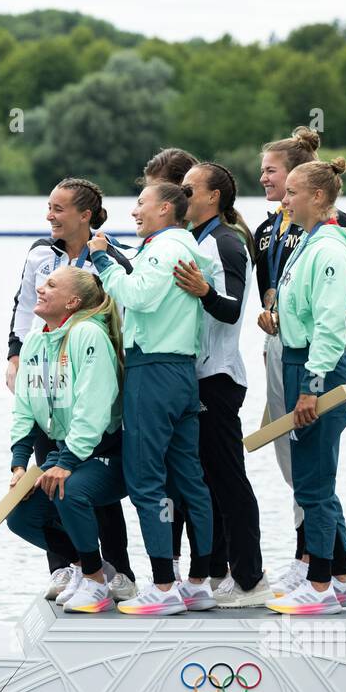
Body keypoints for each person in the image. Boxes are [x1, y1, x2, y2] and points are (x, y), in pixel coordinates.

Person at [253, 127, 346, 594]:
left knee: (314, 484)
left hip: (316, 369)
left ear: (317, 195)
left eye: (291, 191)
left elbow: (329, 324)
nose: (283, 199)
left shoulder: (329, 244)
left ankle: (319, 583)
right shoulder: (303, 238)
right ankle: (342, 578)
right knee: (310, 480)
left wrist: (310, 386)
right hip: (294, 360)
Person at [5, 178, 138, 601]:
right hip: (48, 367)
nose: (50, 215)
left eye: (58, 209)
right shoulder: (40, 254)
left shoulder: (110, 257)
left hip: (88, 377)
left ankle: (115, 570)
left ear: (85, 215)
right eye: (49, 207)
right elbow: (23, 306)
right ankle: (71, 567)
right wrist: (16, 355)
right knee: (48, 479)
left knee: (80, 486)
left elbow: (126, 313)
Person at [88, 182, 217, 616]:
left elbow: (138, 296)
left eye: (141, 203)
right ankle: (197, 582)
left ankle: (162, 585)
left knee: (146, 480)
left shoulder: (165, 248)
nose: (134, 211)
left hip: (153, 370)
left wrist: (102, 261)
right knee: (189, 478)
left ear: (165, 208)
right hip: (182, 371)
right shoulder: (183, 247)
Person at [171, 161, 269, 607]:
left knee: (229, 479)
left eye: (189, 190)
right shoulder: (195, 239)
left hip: (218, 378)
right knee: (206, 480)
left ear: (214, 197)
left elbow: (230, 310)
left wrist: (204, 292)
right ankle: (218, 571)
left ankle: (250, 579)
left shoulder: (226, 242)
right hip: (197, 377)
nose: (181, 196)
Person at [6, 268, 128, 613]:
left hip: (108, 453)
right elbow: (25, 408)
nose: (40, 289)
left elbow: (93, 409)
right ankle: (89, 567)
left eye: (51, 285)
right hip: (68, 453)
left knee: (68, 491)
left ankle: (95, 583)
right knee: (21, 516)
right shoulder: (35, 341)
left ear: (72, 302)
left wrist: (65, 463)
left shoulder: (89, 334)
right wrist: (19, 465)